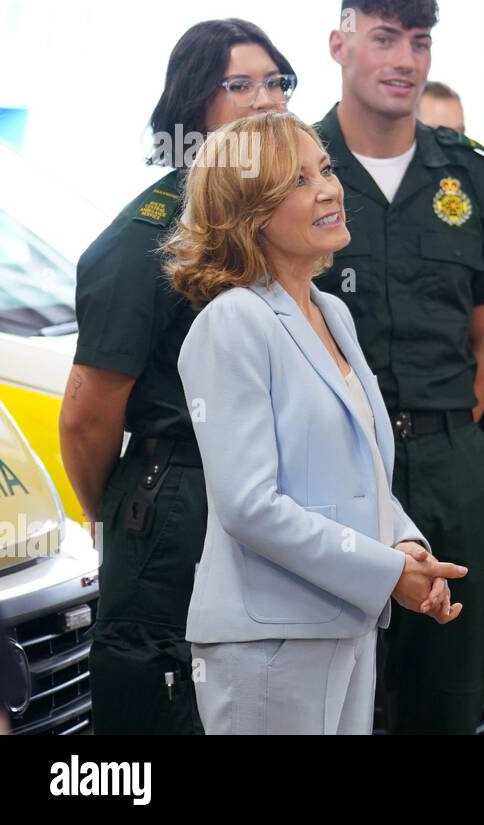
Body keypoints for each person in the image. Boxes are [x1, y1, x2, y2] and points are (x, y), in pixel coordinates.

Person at [165, 111, 466, 735]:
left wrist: (404, 545)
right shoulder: (233, 322)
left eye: (325, 169)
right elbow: (249, 506)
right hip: (268, 644)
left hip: (342, 625)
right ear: (249, 213)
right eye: (298, 182)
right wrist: (387, 572)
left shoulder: (331, 312)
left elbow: (359, 476)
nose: (329, 188)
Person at [59, 19, 296, 734]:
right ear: (194, 107)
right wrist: (130, 516)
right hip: (179, 496)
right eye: (241, 85)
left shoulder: (282, 222)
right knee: (163, 703)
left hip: (275, 496)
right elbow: (87, 416)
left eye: (277, 82)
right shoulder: (149, 240)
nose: (267, 101)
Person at [313, 0, 484, 734]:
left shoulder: (472, 176)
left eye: (420, 40)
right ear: (340, 46)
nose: (405, 58)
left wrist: (431, 433)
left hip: (450, 457)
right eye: (385, 37)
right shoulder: (297, 171)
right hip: (329, 467)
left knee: (449, 683)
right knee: (334, 679)